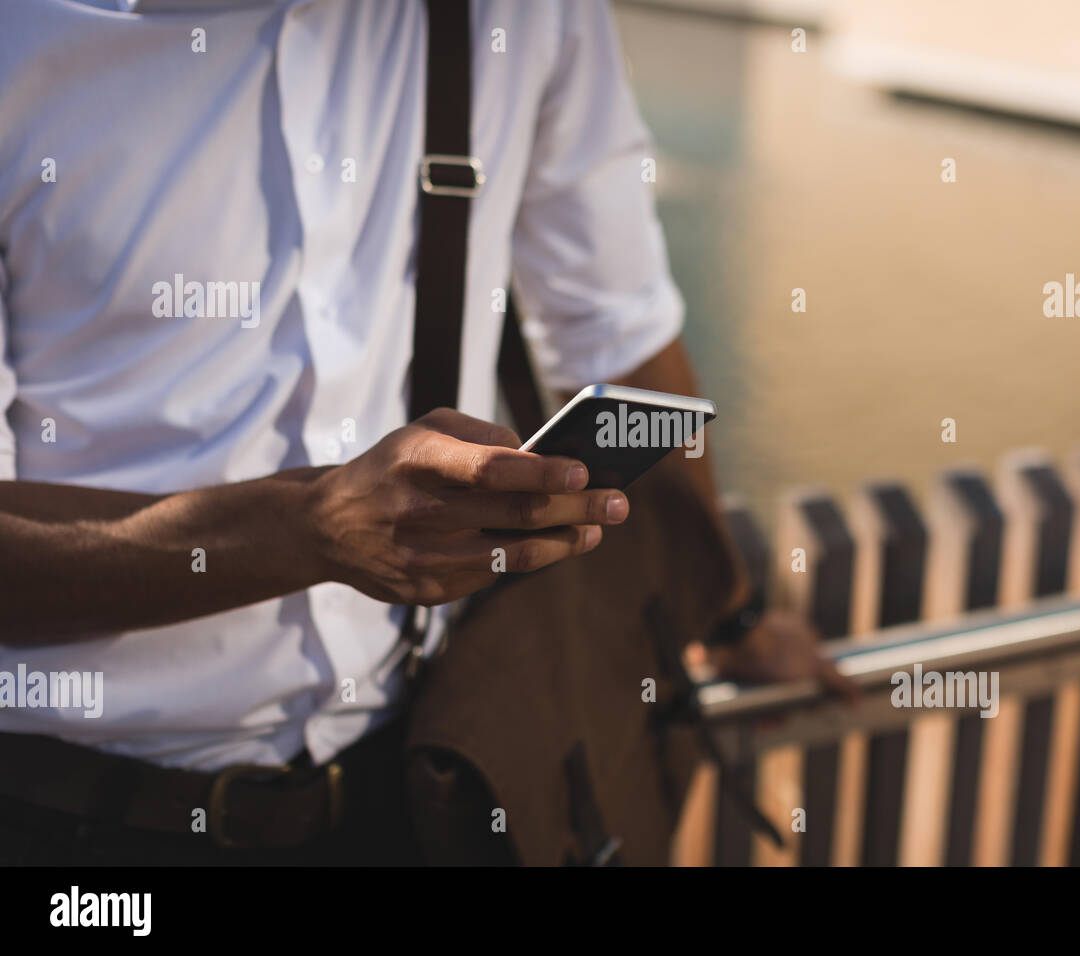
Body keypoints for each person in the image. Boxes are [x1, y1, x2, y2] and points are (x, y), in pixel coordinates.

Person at [0, 0, 843, 865]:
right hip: (66, 811)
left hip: (412, 782)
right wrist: (305, 532)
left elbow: (619, 334)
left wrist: (730, 610)